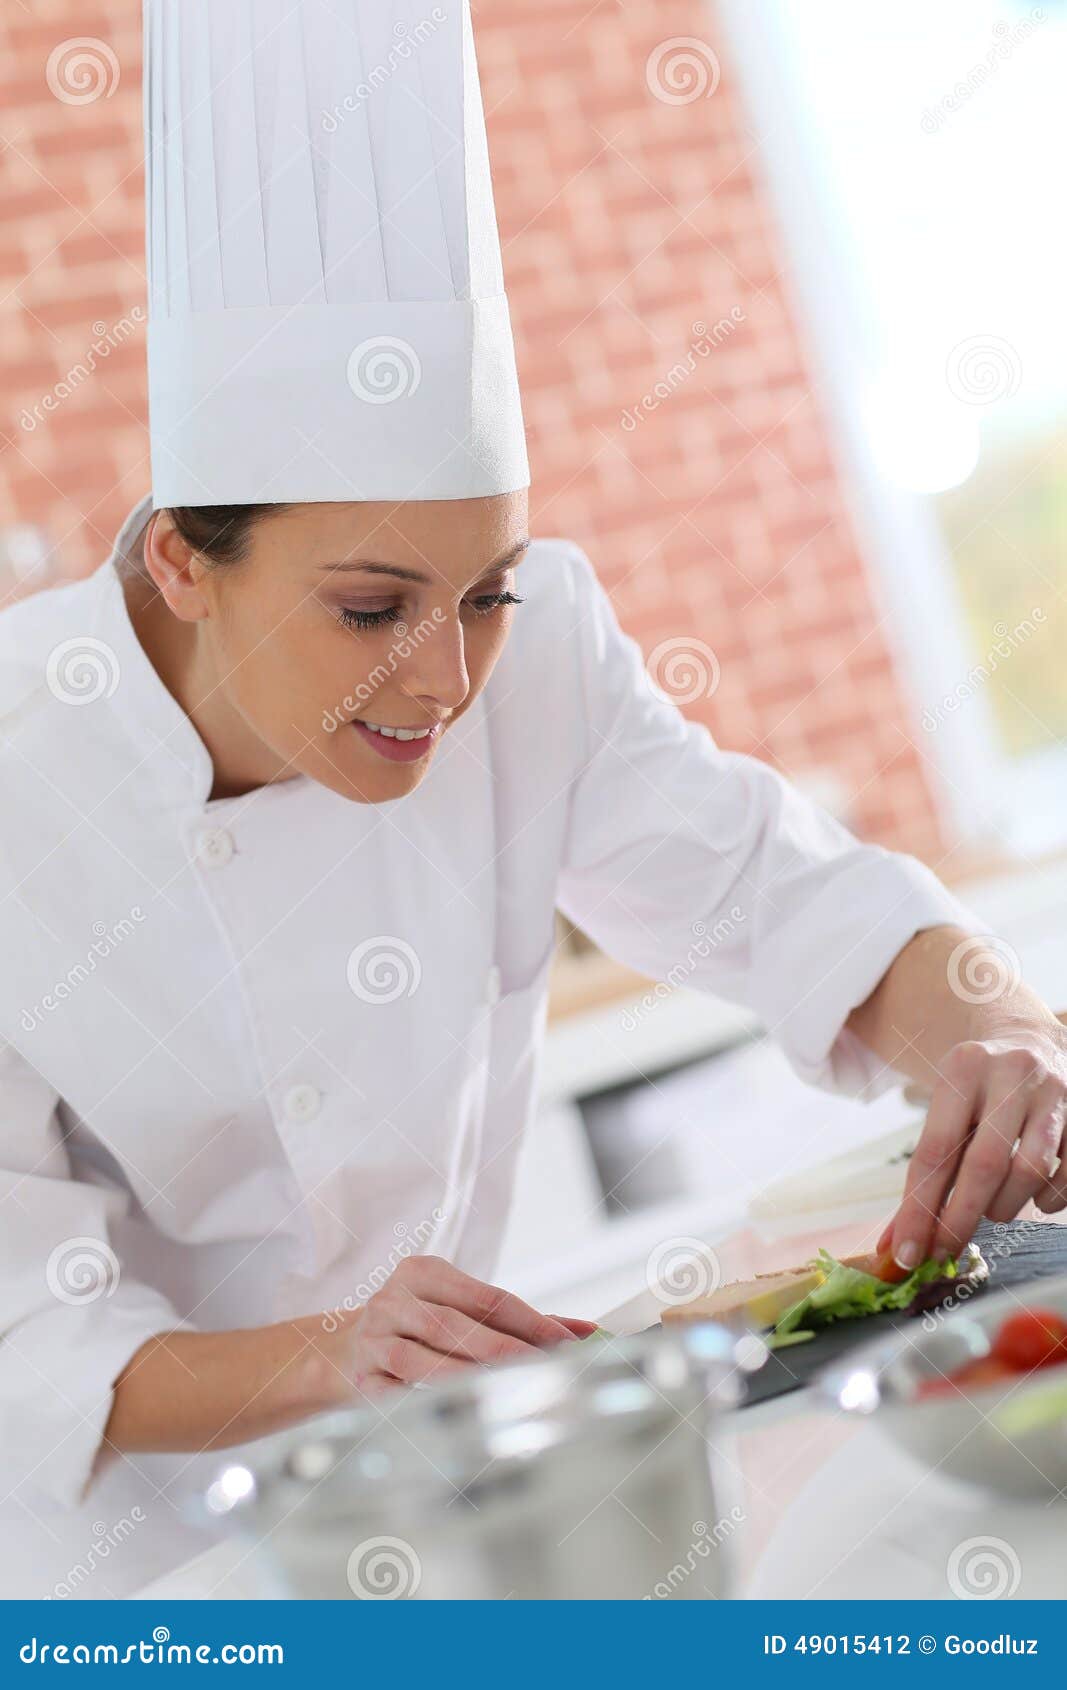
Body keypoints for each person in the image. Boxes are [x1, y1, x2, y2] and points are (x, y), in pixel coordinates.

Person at [2, 0, 1065, 1599]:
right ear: (179, 561)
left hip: (480, 1497)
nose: (449, 679)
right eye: (373, 608)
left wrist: (1013, 1037)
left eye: (487, 588)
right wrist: (329, 1352)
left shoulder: (542, 653)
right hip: (146, 1575)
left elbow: (784, 895)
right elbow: (24, 1317)